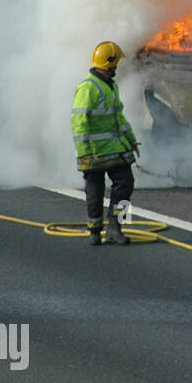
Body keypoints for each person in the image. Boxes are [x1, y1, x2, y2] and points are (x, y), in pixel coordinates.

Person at [71, 41, 139, 245]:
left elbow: (119, 119)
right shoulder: (88, 88)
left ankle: (116, 227)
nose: (118, 66)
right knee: (95, 191)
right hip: (93, 153)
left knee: (126, 184)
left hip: (114, 149)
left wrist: (132, 141)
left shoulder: (111, 87)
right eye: (116, 62)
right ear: (110, 63)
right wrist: (84, 152)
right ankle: (95, 230)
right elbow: (79, 122)